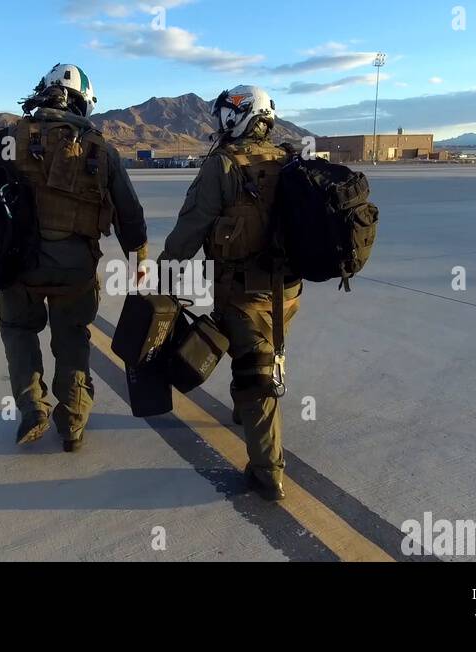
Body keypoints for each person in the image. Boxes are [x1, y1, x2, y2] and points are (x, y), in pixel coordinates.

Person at [0, 64, 148, 452]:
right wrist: (138, 257)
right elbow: (129, 211)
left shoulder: (10, 137)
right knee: (72, 337)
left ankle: (32, 410)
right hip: (75, 270)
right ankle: (73, 423)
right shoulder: (101, 148)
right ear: (82, 102)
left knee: (19, 332)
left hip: (18, 266)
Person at [157, 85, 299, 501]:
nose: (219, 123)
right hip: (289, 292)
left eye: (224, 115)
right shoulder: (288, 160)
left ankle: (267, 471)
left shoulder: (223, 165)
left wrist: (165, 275)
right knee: (265, 350)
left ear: (239, 116)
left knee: (254, 375)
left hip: (244, 293)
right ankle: (246, 407)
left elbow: (190, 228)